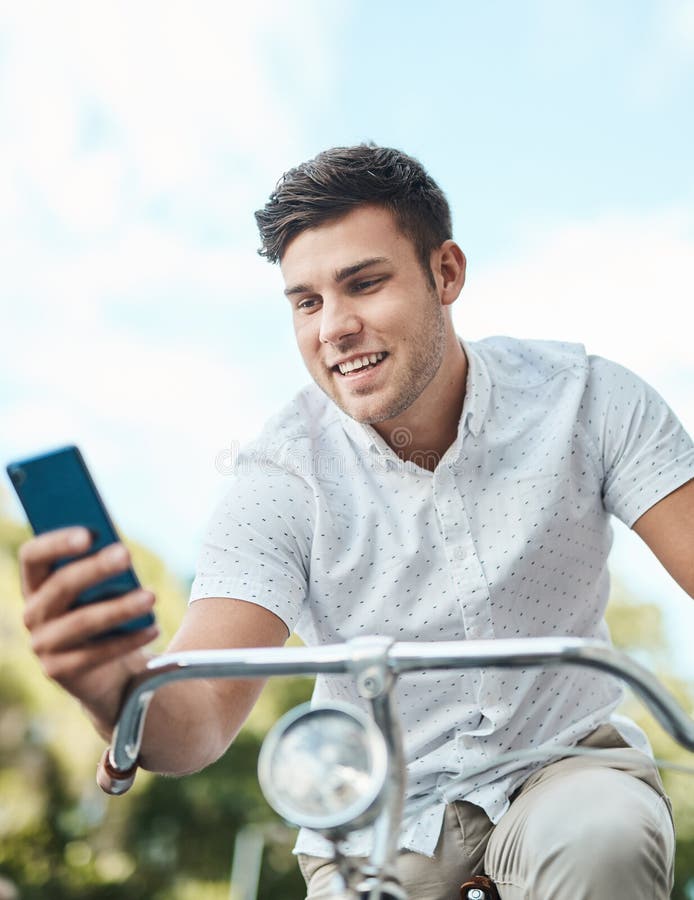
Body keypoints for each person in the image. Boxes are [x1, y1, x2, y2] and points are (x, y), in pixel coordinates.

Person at [18, 144, 694, 900]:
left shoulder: (591, 399)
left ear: (446, 273)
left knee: (604, 839)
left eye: (363, 284)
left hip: (570, 769)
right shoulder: (277, 478)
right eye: (306, 302)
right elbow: (196, 722)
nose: (333, 327)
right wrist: (109, 683)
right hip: (375, 815)